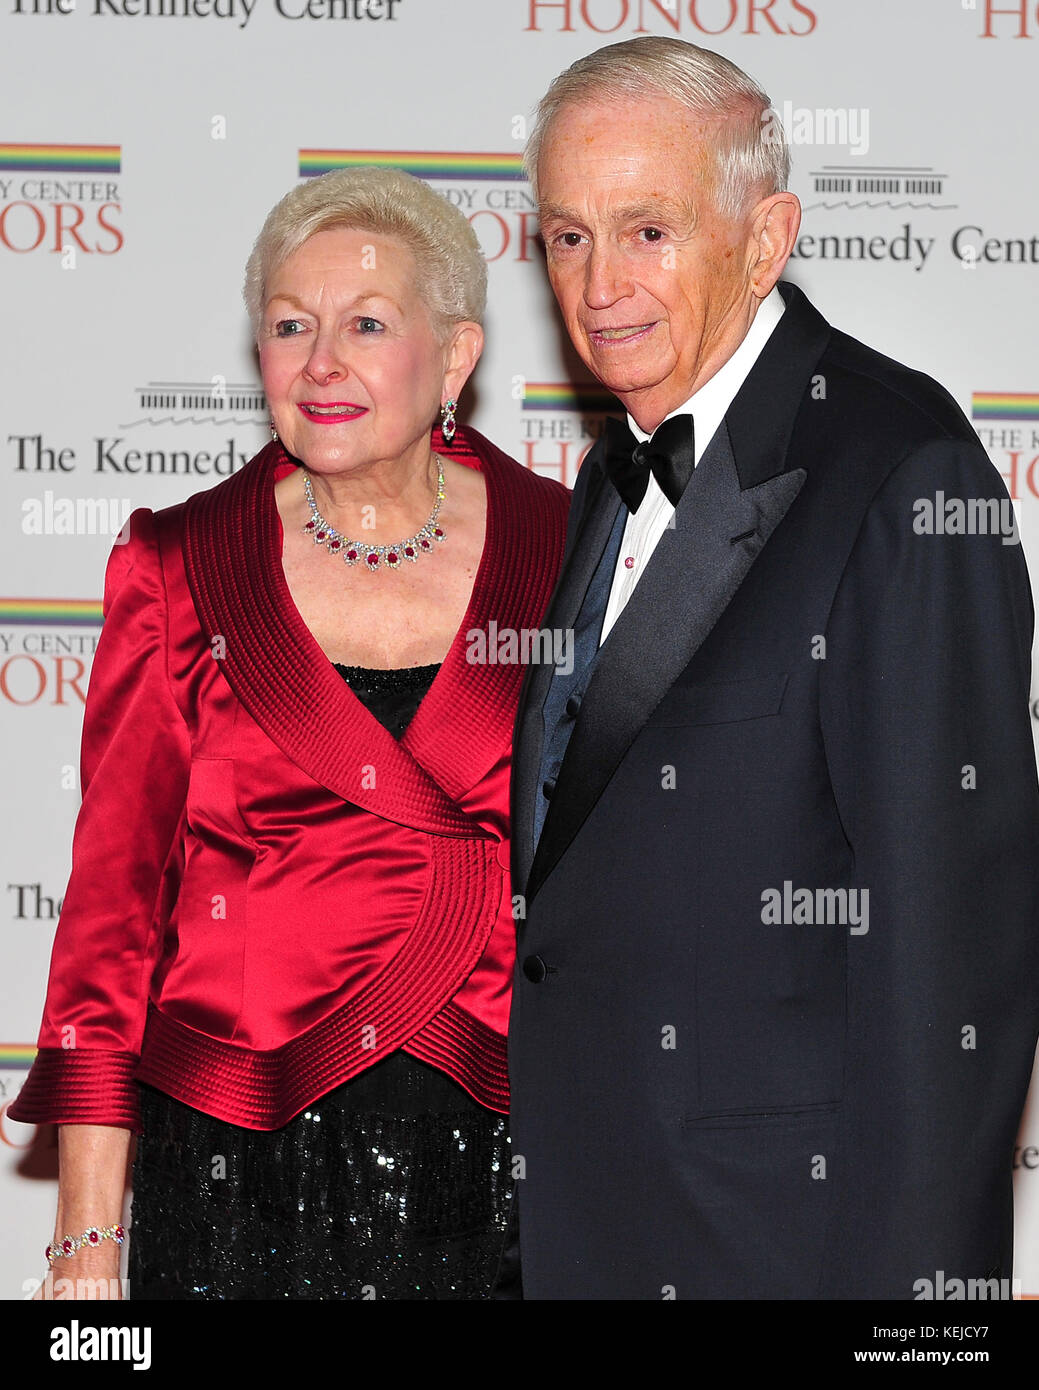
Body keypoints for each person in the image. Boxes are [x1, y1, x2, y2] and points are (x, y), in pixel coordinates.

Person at [498, 36, 1039, 1299]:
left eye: (648, 231)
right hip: (597, 1234)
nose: (601, 286)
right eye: (569, 238)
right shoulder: (611, 479)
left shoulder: (900, 472)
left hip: (782, 1253)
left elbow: (952, 965)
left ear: (764, 234)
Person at [11, 167, 570, 1300]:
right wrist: (84, 1251)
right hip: (230, 1166)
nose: (321, 361)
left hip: (515, 1155)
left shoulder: (575, 554)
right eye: (288, 325)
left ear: (454, 358)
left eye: (366, 323)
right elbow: (110, 922)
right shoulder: (174, 566)